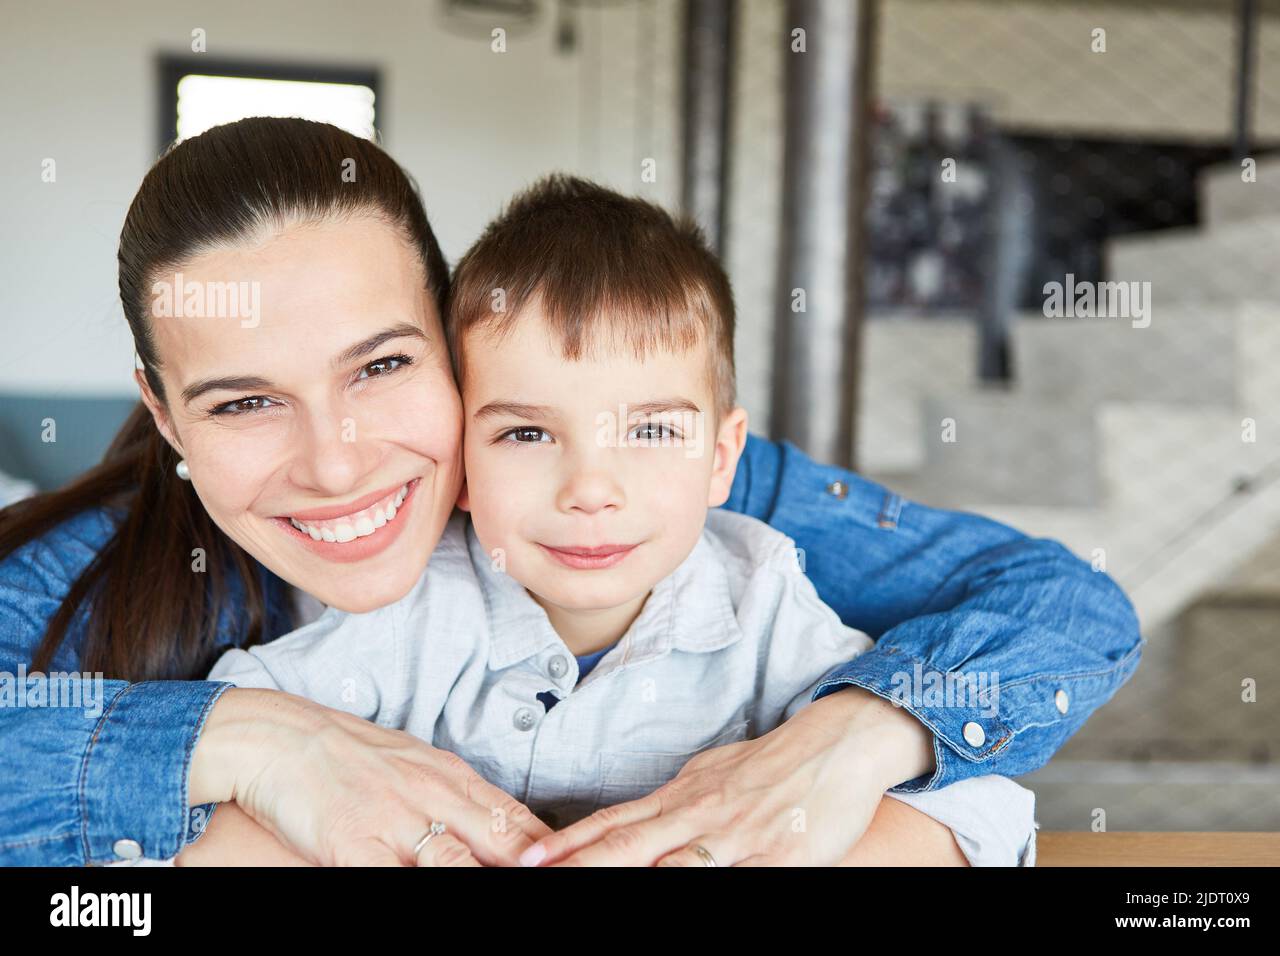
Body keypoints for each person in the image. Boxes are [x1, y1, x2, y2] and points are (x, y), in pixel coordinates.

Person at [0, 118, 1142, 867]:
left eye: (382, 365)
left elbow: (1065, 606)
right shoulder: (99, 564)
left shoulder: (690, 507)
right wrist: (249, 743)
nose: (335, 463)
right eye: (243, 402)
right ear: (165, 416)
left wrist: (857, 734)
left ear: (457, 344)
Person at [195, 175, 1038, 867]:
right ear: (458, 461)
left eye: (650, 430)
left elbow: (985, 814)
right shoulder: (410, 613)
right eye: (527, 433)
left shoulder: (764, 599)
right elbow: (215, 760)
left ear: (720, 457)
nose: (590, 488)